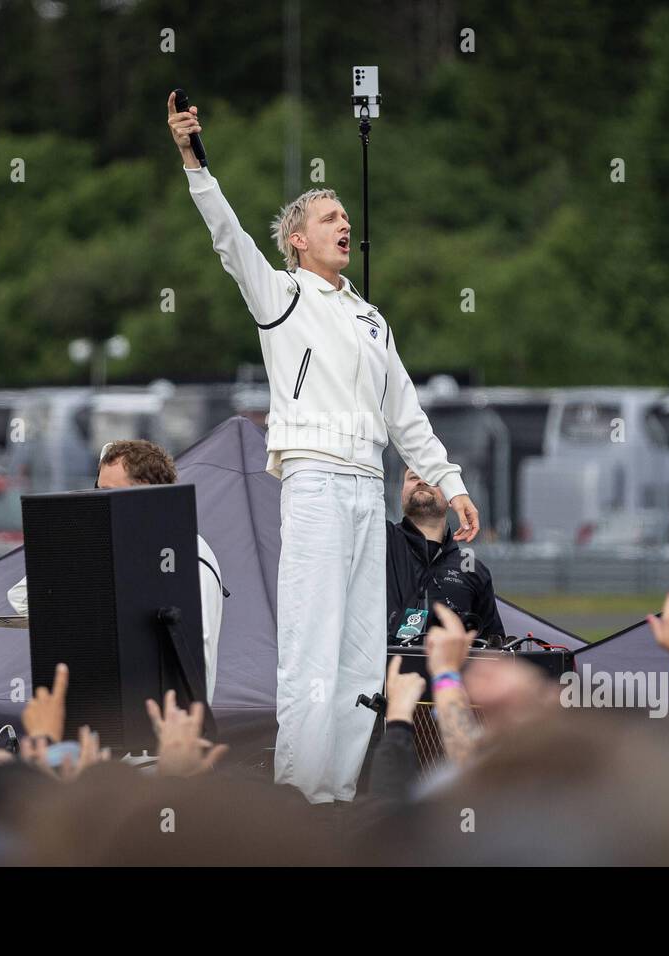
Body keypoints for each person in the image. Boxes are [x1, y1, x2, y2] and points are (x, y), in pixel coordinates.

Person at [169, 91, 479, 804]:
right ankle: (299, 800)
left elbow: (407, 412)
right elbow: (226, 237)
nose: (346, 223)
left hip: (368, 489)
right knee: (311, 650)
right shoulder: (279, 296)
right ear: (297, 241)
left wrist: (450, 481)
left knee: (361, 658)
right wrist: (194, 158)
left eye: (346, 215)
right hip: (312, 483)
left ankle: (338, 799)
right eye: (330, 217)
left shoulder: (372, 319)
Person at [7, 439, 226, 703]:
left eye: (108, 492)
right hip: (107, 717)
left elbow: (191, 657)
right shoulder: (112, 545)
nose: (97, 501)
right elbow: (22, 597)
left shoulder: (189, 553)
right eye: (97, 490)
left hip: (166, 724)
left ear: (144, 492)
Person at [386, 468, 505, 644]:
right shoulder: (378, 542)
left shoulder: (471, 568)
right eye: (413, 477)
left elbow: (493, 648)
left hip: (448, 670)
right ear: (401, 493)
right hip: (384, 670)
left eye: (432, 478)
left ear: (453, 497)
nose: (422, 481)